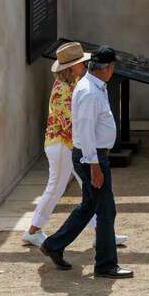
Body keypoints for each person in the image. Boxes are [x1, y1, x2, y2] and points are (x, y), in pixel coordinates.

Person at [39, 46, 133, 278]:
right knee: (105, 209)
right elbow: (86, 132)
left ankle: (54, 244)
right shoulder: (90, 92)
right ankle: (105, 264)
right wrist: (94, 166)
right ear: (108, 69)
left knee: (90, 206)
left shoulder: (92, 86)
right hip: (92, 157)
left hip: (92, 156)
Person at [22, 42, 128, 248]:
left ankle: (102, 234)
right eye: (81, 62)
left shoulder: (73, 85)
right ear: (71, 67)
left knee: (83, 190)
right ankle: (35, 231)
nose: (85, 64)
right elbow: (72, 123)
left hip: (67, 145)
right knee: (62, 188)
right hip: (63, 145)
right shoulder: (64, 89)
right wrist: (88, 153)